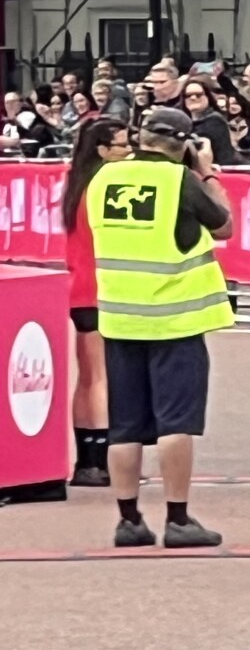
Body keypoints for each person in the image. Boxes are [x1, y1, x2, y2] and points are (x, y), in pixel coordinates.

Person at [86, 107, 234, 549]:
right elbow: (224, 225)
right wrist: (207, 174)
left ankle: (128, 520)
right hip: (174, 317)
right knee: (176, 422)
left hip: (119, 315)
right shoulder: (179, 181)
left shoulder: (103, 178)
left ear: (141, 136)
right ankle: (178, 518)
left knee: (125, 424)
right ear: (184, 144)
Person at [62, 118, 132, 487]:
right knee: (103, 379)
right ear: (103, 150)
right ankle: (102, 462)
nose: (129, 150)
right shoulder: (106, 186)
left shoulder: (77, 184)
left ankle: (86, 460)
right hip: (103, 288)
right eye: (122, 145)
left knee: (88, 378)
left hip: (81, 290)